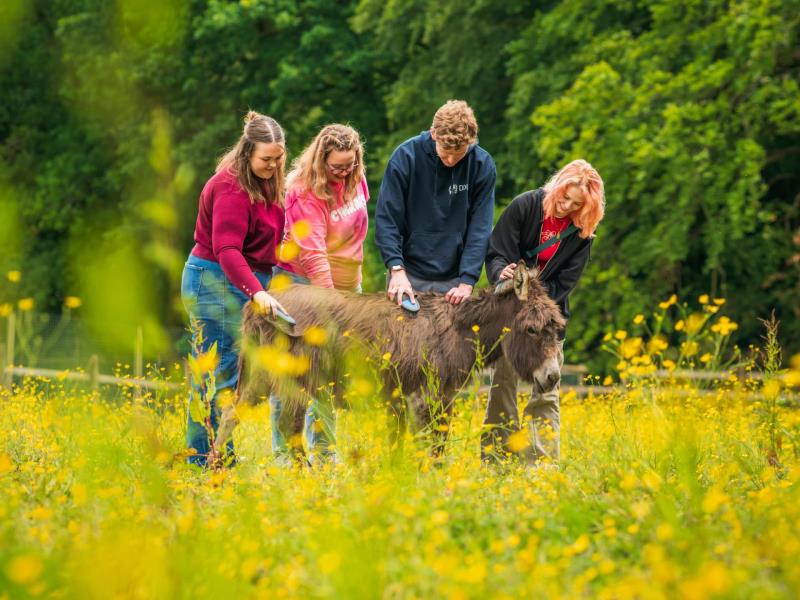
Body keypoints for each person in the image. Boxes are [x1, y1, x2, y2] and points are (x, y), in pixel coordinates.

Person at [181, 111, 288, 467]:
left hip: (242, 280)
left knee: (232, 373)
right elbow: (227, 249)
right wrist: (257, 292)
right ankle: (202, 460)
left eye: (278, 158)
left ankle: (217, 455)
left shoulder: (267, 181)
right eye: (265, 159)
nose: (273, 165)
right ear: (246, 153)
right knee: (216, 373)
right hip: (214, 280)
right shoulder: (231, 187)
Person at [482, 159, 605, 465]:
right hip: (510, 318)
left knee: (546, 393)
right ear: (557, 185)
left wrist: (531, 296)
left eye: (576, 205)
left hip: (547, 321)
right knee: (503, 388)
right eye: (564, 197)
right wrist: (504, 274)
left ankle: (542, 465)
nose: (566, 206)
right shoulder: (526, 205)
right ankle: (498, 460)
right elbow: (497, 251)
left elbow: (565, 283)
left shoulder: (580, 233)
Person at [271, 123, 368, 464]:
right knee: (294, 372)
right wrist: (334, 308)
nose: (344, 172)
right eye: (337, 167)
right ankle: (286, 456)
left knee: (331, 373)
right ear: (320, 161)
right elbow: (313, 254)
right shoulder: (304, 192)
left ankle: (326, 454)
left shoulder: (355, 178)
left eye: (350, 164)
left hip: (345, 289)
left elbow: (357, 233)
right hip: (303, 288)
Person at [375, 100, 496, 306]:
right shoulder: (405, 157)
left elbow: (480, 228)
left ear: (471, 142)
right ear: (433, 134)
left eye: (458, 155)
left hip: (454, 281)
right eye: (445, 152)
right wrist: (396, 268)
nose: (450, 160)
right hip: (407, 275)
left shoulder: (481, 165)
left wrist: (467, 281)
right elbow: (387, 218)